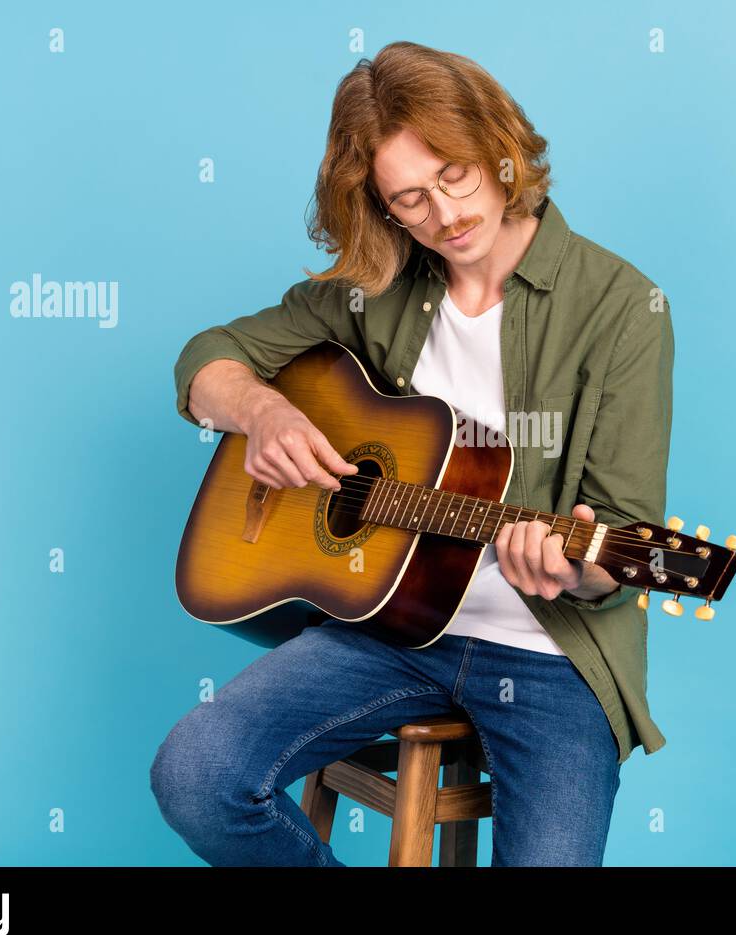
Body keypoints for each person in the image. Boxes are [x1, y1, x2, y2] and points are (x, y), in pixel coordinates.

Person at [150, 40, 674, 866]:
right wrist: (260, 411)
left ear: (497, 148)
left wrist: (580, 565)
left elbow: (620, 537)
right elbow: (206, 358)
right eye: (410, 198)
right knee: (196, 772)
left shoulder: (620, 306)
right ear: (382, 209)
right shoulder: (380, 285)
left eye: (456, 174)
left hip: (548, 656)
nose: (446, 214)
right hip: (384, 630)